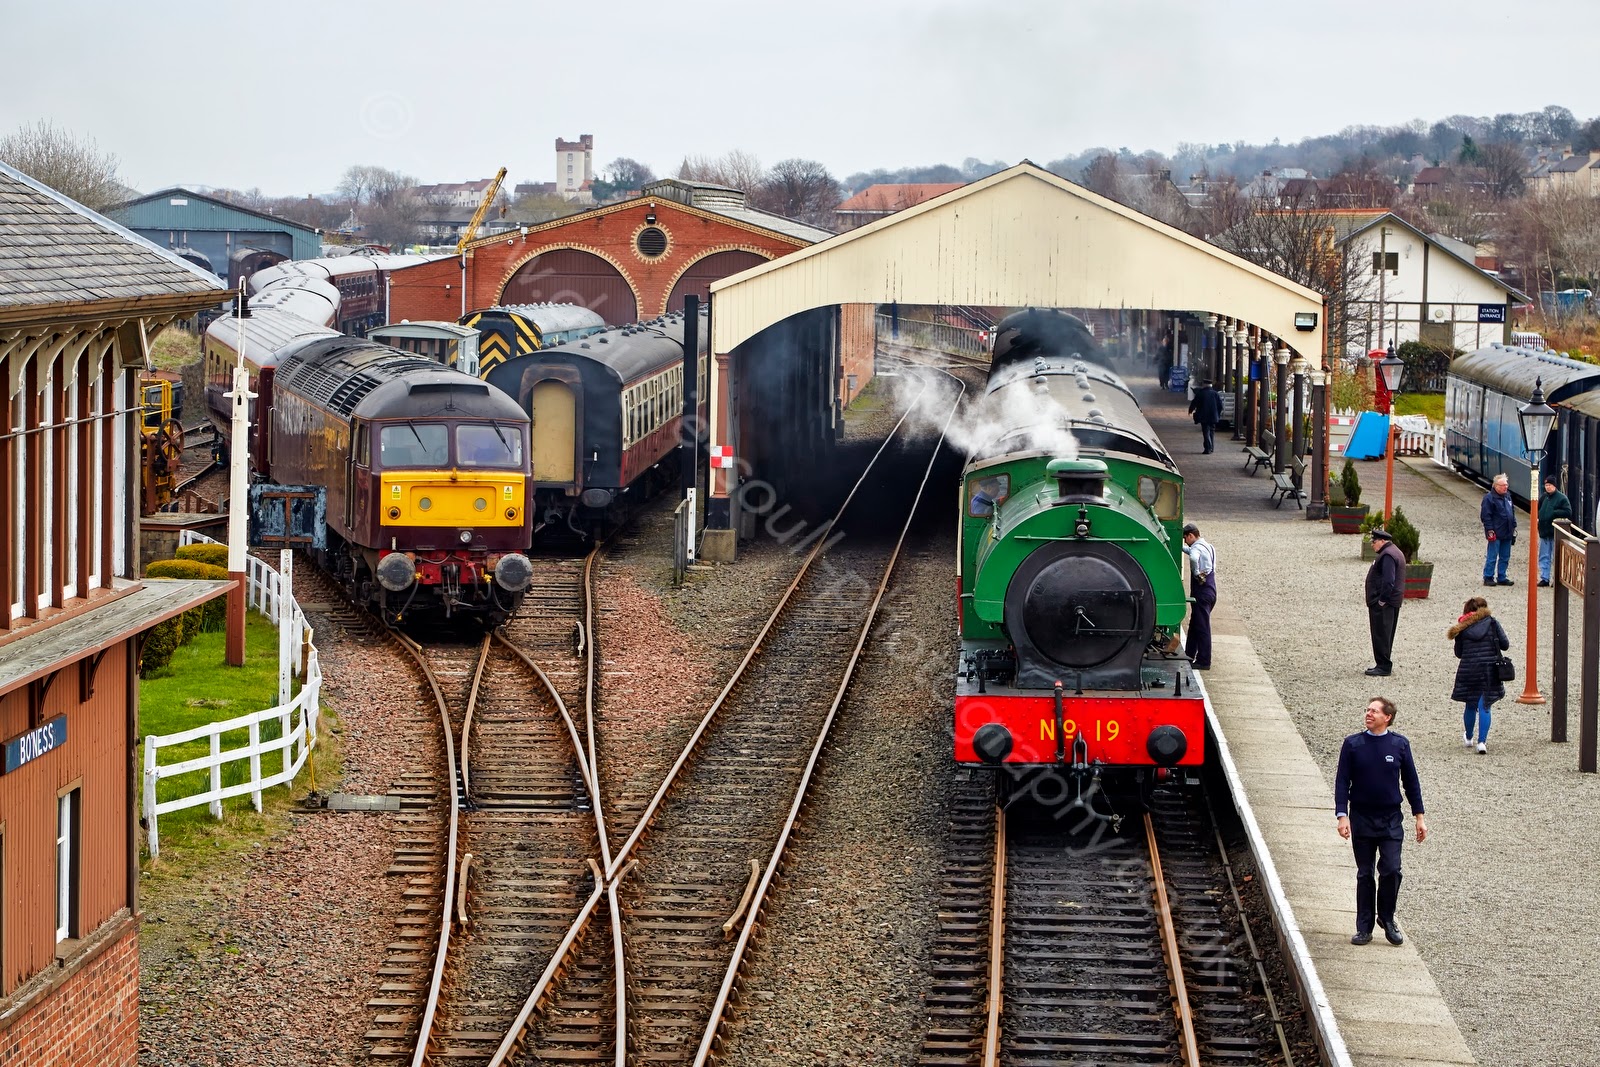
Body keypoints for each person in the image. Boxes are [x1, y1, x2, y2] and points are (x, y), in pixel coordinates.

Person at [1335, 696, 1427, 946]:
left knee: (1392, 870)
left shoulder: (1399, 744)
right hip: (1362, 817)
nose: (1368, 714)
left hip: (1390, 819)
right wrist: (1342, 815)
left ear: (1387, 717)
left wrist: (1419, 817)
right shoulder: (1353, 744)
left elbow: (1411, 782)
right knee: (1365, 874)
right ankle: (1363, 927)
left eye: (1374, 711)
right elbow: (1342, 781)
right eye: (1367, 710)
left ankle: (1386, 917)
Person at [1449, 596, 1509, 754]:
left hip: (1469, 669)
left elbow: (1459, 653)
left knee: (1470, 704)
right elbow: (1505, 644)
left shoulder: (1462, 628)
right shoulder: (1493, 623)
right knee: (1485, 706)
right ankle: (1482, 742)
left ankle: (1469, 737)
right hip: (1489, 670)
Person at [1364, 527, 1405, 677]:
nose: (1372, 544)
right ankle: (1382, 663)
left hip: (1384, 603)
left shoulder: (1387, 555)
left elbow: (1389, 581)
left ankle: (1383, 665)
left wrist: (1381, 600)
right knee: (1385, 633)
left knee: (1381, 633)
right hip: (1391, 602)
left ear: (1382, 541)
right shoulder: (1394, 551)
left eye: (1374, 541)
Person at [1181, 522, 1216, 669]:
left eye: (1185, 538)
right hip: (1211, 588)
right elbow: (1190, 551)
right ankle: (1189, 654)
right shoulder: (1209, 546)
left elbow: (1194, 557)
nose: (1185, 542)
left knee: (1202, 627)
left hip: (1202, 591)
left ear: (1190, 535)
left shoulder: (1197, 548)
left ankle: (1204, 660)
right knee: (1195, 625)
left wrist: (1195, 573)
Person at [1480, 473, 1517, 587]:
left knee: (1505, 556)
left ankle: (1502, 576)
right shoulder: (1489, 498)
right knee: (1492, 556)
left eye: (1506, 485)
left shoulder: (1507, 496)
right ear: (1495, 486)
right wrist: (1490, 530)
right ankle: (1488, 576)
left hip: (1507, 531)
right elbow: (1486, 516)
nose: (1505, 487)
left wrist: (1514, 525)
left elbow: (1512, 511)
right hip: (1496, 532)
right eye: (1502, 485)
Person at [1537, 475, 1572, 586]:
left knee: (1555, 556)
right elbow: (1538, 509)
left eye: (1550, 485)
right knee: (1544, 556)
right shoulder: (1543, 497)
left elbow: (1568, 512)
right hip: (1544, 532)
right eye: (1546, 485)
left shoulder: (1562, 498)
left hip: (1555, 532)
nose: (1547, 487)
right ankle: (1544, 578)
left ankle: (1556, 579)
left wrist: (1554, 513)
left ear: (1554, 486)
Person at [1189, 381, 1223, 454]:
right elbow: (1220, 406)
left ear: (1204, 385)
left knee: (1206, 432)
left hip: (1204, 417)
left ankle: (1208, 448)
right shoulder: (1215, 394)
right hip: (1213, 417)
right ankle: (1211, 448)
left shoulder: (1200, 393)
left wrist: (1190, 410)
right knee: (1211, 432)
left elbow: (1194, 403)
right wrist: (1217, 414)